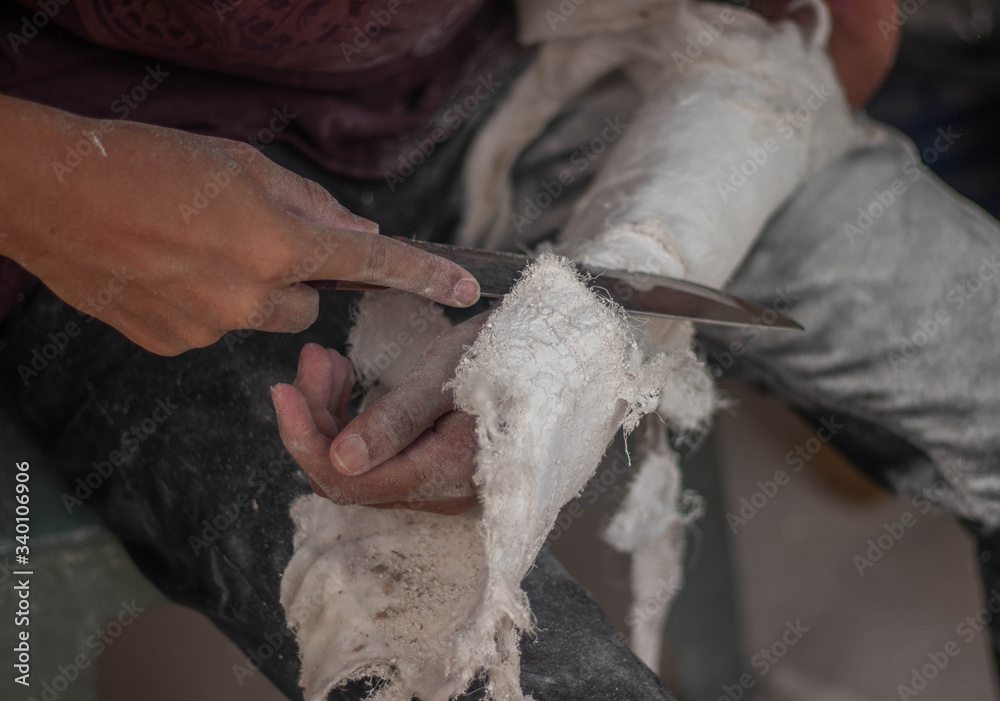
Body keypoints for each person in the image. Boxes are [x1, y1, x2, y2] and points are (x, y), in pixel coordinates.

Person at [11, 0, 1000, 698]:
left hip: (527, 66)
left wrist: (576, 330)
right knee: (474, 656)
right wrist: (46, 187)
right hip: (112, 196)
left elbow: (837, 35)